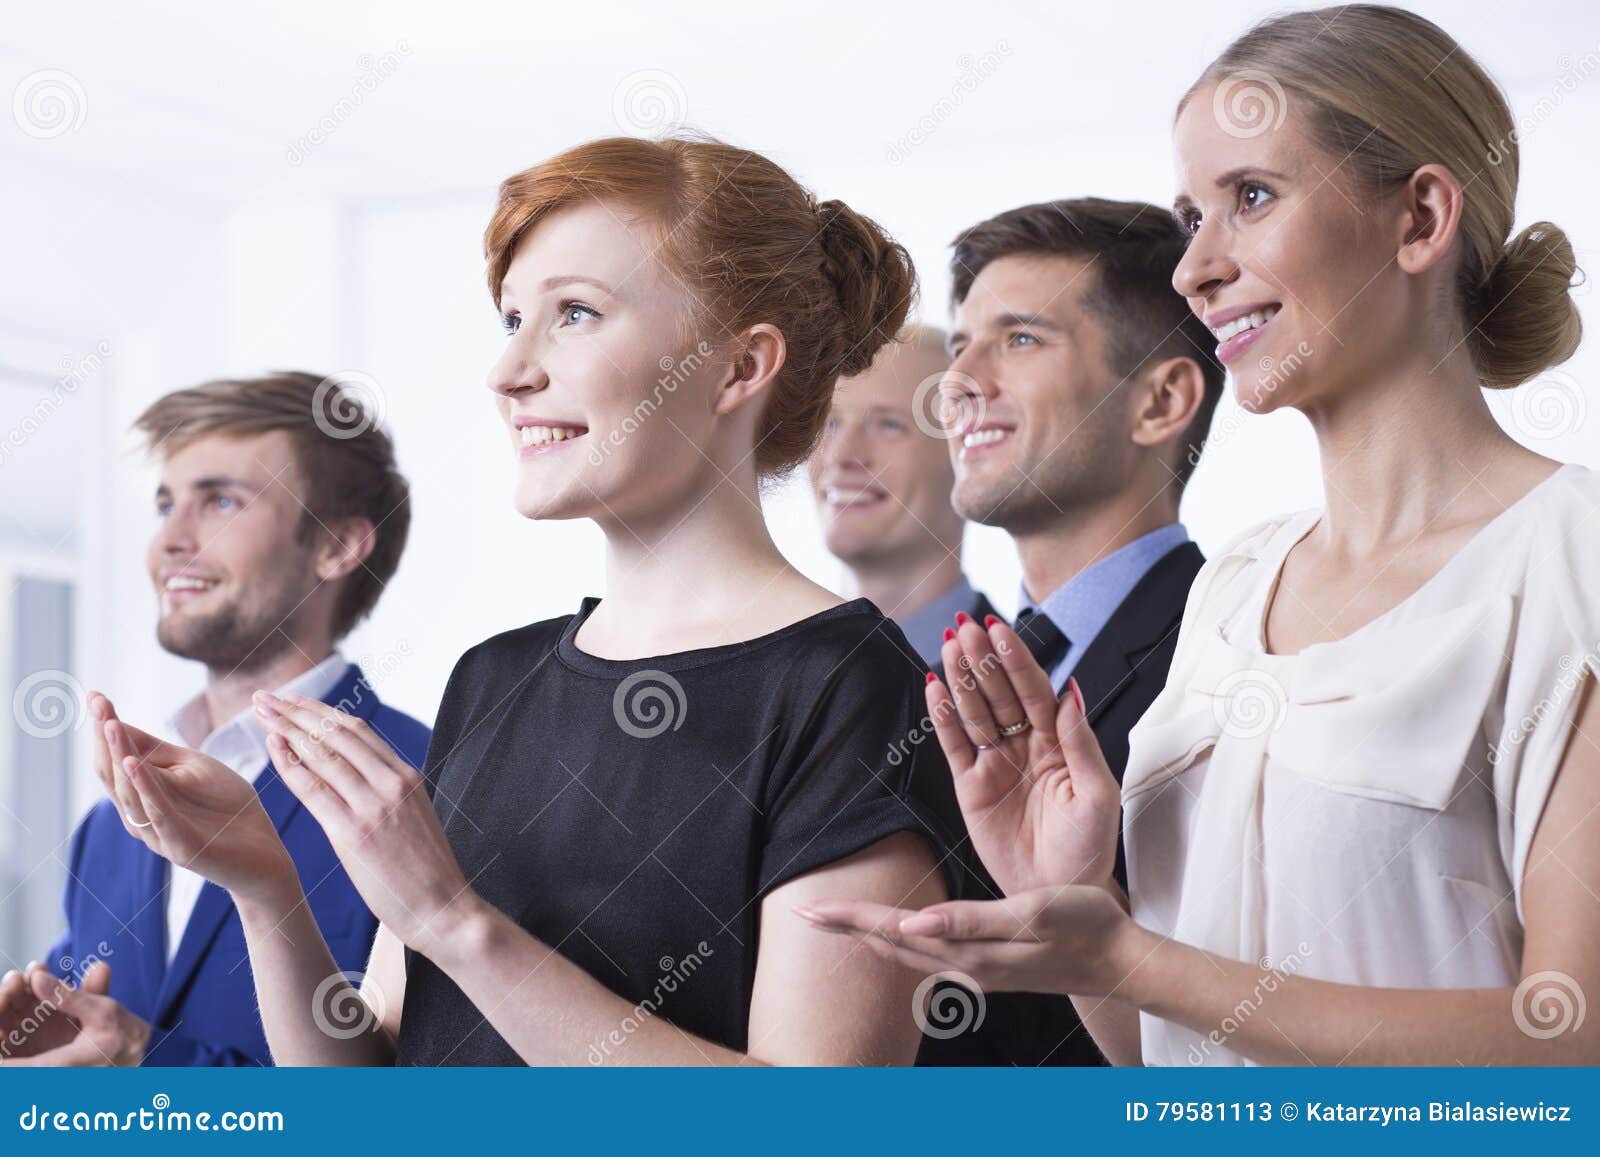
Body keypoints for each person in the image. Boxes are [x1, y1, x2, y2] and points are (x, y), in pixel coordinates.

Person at [798, 4, 1600, 1067]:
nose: (1194, 270)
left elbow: (1572, 1036)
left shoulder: (1568, 555)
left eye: (1251, 198)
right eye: (1190, 217)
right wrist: (1071, 898)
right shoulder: (1233, 583)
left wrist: (1129, 956)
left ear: (1417, 219)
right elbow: (1172, 1067)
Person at [93, 135, 963, 1066]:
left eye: (576, 313)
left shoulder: (855, 691)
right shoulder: (494, 678)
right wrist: (265, 889)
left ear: (739, 367)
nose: (509, 373)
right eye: (513, 320)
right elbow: (365, 1098)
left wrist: (455, 922)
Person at [0, 373, 430, 1066]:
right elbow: (90, 1036)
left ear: (337, 546)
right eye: (166, 504)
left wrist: (145, 1057)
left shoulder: (429, 785)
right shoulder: (112, 821)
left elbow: (421, 1111)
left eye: (220, 501)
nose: (170, 539)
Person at [917, 198, 1222, 1066]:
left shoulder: (1234, 659)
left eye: (1019, 339)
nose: (959, 381)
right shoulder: (949, 668)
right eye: (957, 346)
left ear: (1161, 400)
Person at [808, 324, 996, 673]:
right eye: (830, 423)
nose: (840, 455)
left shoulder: (1038, 686)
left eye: (889, 425)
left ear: (966, 456)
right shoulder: (773, 672)